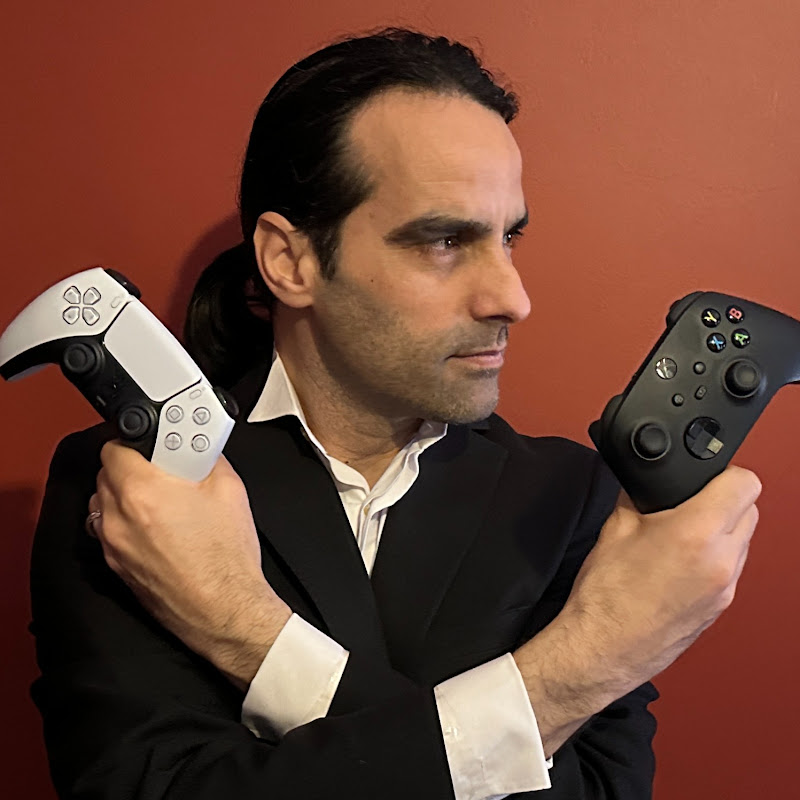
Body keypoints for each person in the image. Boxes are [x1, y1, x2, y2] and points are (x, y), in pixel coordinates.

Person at [31, 28, 760, 799]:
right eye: (445, 240)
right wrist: (582, 669)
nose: (512, 298)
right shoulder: (146, 489)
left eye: (509, 238)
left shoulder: (571, 499)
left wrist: (250, 635)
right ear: (290, 260)